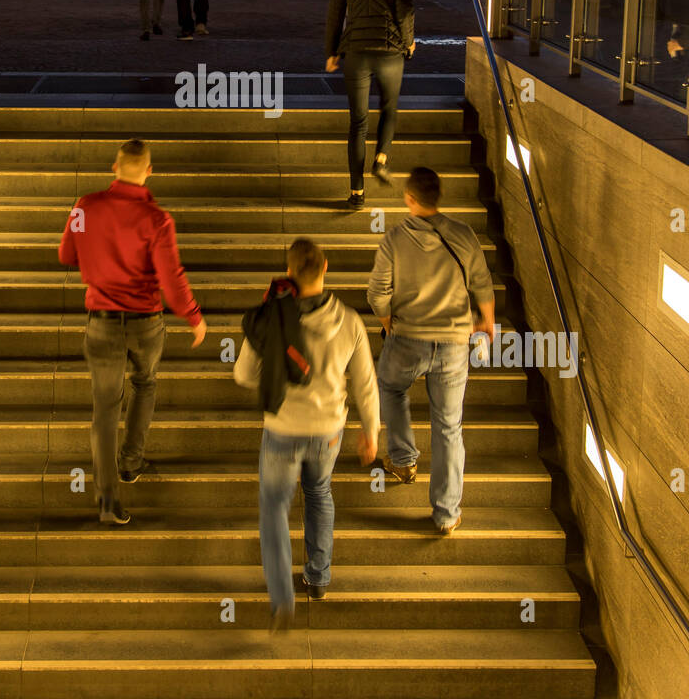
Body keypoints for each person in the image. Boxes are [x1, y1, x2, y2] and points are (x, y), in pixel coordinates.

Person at [233, 238, 379, 631]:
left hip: (282, 428)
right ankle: (318, 578)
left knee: (274, 509)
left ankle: (282, 600)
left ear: (290, 270)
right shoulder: (350, 320)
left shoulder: (271, 316)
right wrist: (371, 430)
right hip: (328, 430)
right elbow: (365, 383)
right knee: (319, 493)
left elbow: (243, 375)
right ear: (326, 266)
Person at [58, 139, 207, 524]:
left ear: (115, 167)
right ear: (148, 171)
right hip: (145, 321)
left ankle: (108, 499)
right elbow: (171, 279)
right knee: (146, 383)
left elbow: (65, 255)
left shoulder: (83, 207)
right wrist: (193, 316)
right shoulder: (158, 220)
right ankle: (131, 461)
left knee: (105, 408)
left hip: (101, 321)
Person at [367, 167, 494, 535]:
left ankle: (404, 459)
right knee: (449, 426)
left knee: (389, 386)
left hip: (408, 337)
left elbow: (377, 294)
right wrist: (487, 322)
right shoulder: (464, 235)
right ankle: (446, 513)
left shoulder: (394, 239)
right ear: (438, 197)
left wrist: (388, 323)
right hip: (455, 343)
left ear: (409, 199)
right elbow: (482, 284)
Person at [325, 0, 415, 210]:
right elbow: (405, 13)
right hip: (389, 50)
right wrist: (409, 42)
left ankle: (356, 193)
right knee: (389, 107)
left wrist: (332, 52)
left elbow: (335, 16)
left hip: (357, 52)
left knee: (358, 122)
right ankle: (382, 158)